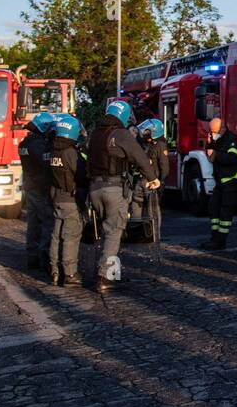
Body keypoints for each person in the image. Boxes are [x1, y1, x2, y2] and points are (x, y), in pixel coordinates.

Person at [87, 99, 159, 292]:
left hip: (94, 188)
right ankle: (106, 277)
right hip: (114, 188)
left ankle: (112, 271)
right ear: (124, 116)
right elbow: (139, 157)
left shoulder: (95, 134)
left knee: (104, 230)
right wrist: (152, 178)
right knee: (114, 231)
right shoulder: (121, 134)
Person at [47, 114, 87, 287]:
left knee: (56, 236)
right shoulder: (70, 152)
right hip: (70, 199)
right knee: (70, 237)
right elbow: (81, 175)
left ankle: (54, 271)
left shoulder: (53, 151)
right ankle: (70, 274)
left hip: (56, 197)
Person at [201, 116, 237, 248]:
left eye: (213, 131)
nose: (211, 134)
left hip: (232, 182)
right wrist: (209, 143)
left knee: (225, 212)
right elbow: (210, 157)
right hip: (221, 182)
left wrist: (215, 153)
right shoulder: (218, 140)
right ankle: (214, 237)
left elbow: (231, 158)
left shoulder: (232, 140)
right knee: (213, 207)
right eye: (210, 132)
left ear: (222, 129)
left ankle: (220, 241)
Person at [19, 111, 56, 270]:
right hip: (40, 188)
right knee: (48, 222)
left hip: (30, 187)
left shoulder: (24, 143)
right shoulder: (38, 145)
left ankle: (32, 256)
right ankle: (44, 257)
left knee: (33, 224)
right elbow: (47, 164)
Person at [131, 118, 170, 238]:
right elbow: (164, 168)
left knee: (144, 210)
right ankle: (150, 236)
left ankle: (145, 235)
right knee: (148, 210)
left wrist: (161, 183)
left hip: (148, 182)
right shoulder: (149, 144)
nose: (144, 134)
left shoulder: (158, 145)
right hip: (146, 182)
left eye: (147, 132)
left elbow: (164, 168)